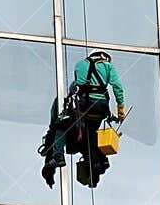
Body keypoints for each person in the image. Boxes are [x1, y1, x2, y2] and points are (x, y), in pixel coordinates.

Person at [40, 50, 126, 189]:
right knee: (91, 135)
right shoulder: (107, 66)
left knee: (63, 125)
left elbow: (78, 86)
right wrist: (120, 109)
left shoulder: (80, 65)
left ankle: (59, 156)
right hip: (100, 109)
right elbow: (117, 87)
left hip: (84, 106)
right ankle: (96, 167)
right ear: (103, 56)